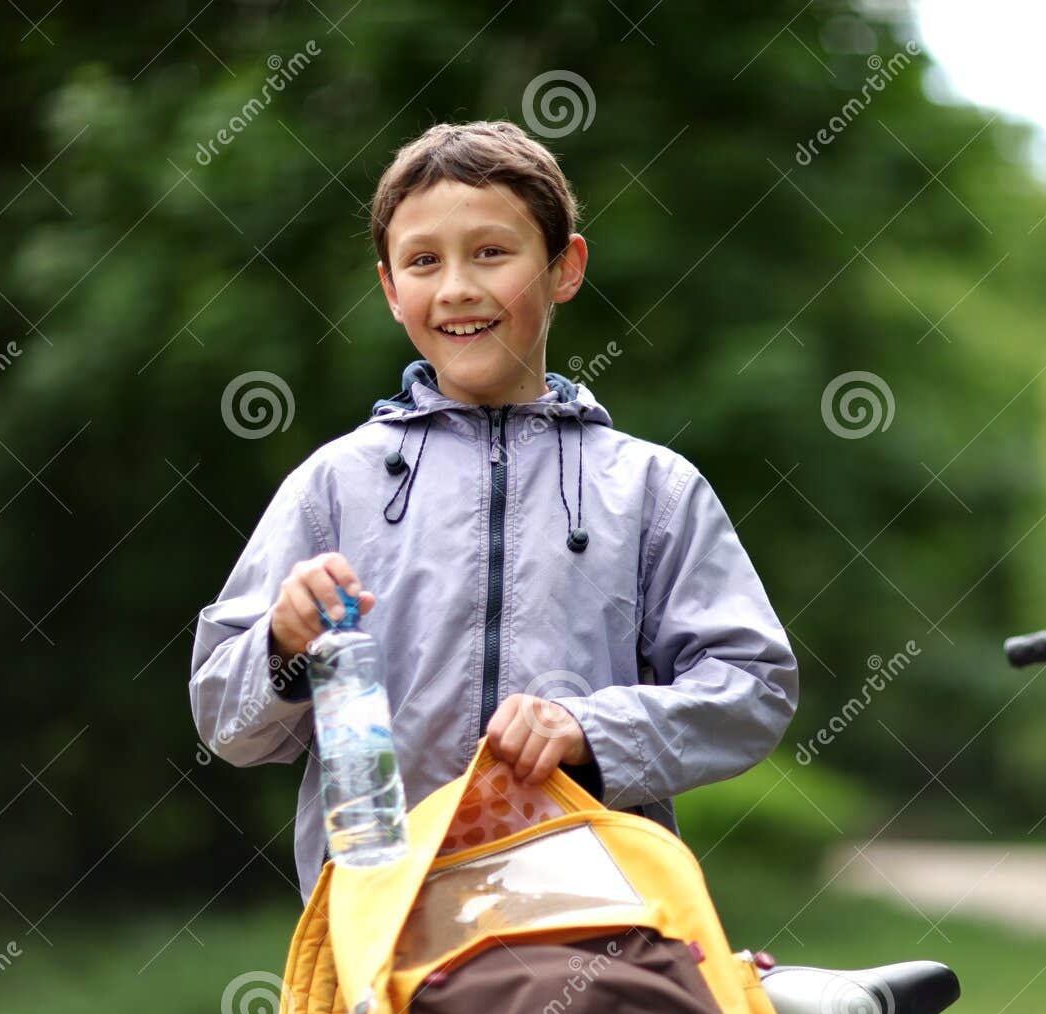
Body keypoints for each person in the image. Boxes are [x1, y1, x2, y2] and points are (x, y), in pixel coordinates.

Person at [188, 120, 799, 902]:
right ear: (390, 288)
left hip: (595, 933)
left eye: (491, 252)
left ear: (564, 268)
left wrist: (591, 730)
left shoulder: (652, 488)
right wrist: (280, 640)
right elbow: (224, 718)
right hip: (383, 936)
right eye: (422, 261)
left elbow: (754, 686)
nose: (456, 288)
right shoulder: (333, 486)